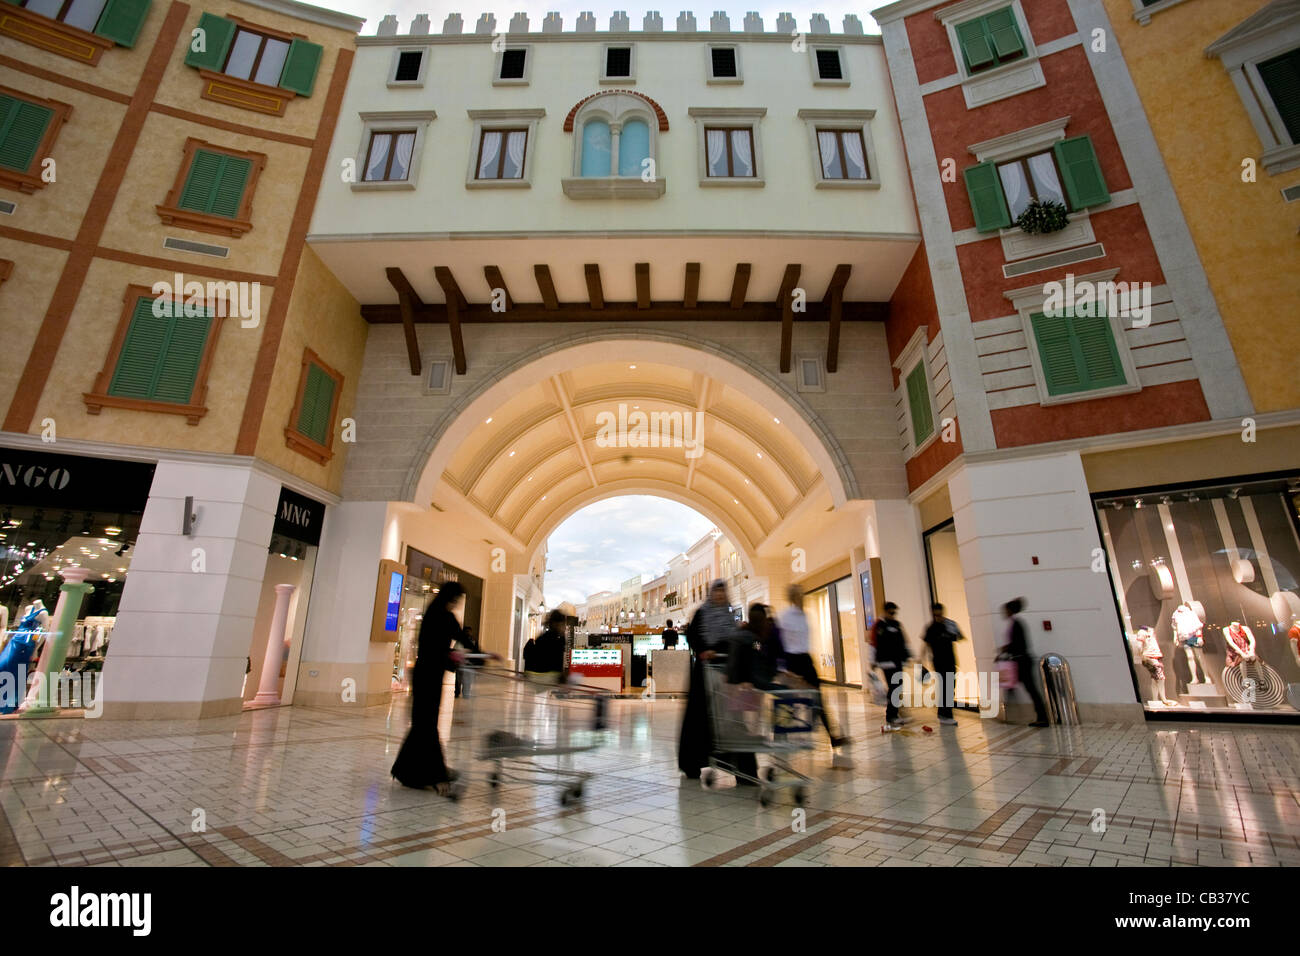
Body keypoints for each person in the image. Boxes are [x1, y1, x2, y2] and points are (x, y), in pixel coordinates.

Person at [391, 581, 468, 795]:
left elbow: (459, 640)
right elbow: (444, 647)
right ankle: (433, 774)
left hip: (427, 675)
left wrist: (474, 654)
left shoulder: (436, 613)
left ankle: (407, 772)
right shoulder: (440, 616)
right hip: (429, 676)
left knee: (423, 723)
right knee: (426, 724)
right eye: (456, 599)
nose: (456, 603)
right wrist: (459, 657)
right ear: (451, 598)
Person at [678, 580, 756, 782]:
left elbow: (734, 641)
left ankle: (742, 770)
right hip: (706, 673)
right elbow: (693, 637)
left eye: (723, 592)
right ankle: (694, 764)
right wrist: (705, 651)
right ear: (712, 594)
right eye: (717, 592)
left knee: (732, 719)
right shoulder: (702, 613)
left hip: (727, 674)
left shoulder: (729, 616)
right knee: (702, 718)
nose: (720, 595)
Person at [776, 585, 850, 750]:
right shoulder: (784, 617)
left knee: (818, 697)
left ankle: (832, 736)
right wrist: (782, 667)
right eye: (798, 595)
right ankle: (780, 737)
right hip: (791, 660)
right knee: (787, 700)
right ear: (792, 597)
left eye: (802, 594)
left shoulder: (805, 615)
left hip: (805, 659)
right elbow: (779, 643)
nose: (802, 597)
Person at [1000, 598, 1048, 727]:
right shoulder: (1015, 623)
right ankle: (1014, 714)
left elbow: (1018, 643)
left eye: (1005, 610)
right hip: (1020, 660)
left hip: (1022, 661)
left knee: (1029, 689)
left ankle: (1041, 717)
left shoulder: (1017, 624)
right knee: (1015, 687)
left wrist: (1006, 648)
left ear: (1010, 610)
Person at [870, 602, 910, 731]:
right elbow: (873, 644)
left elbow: (903, 642)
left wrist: (907, 656)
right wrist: (872, 661)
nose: (893, 615)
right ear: (885, 612)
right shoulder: (879, 625)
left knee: (897, 687)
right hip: (886, 662)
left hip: (897, 661)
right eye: (891, 613)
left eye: (894, 613)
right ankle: (891, 715)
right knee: (894, 687)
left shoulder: (897, 625)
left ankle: (894, 714)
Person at [923, 603, 964, 725]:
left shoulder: (950, 625)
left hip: (950, 661)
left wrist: (954, 632)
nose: (938, 617)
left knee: (949, 688)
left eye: (940, 614)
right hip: (939, 663)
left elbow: (960, 637)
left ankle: (942, 714)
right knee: (946, 689)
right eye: (936, 615)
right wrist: (921, 661)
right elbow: (926, 645)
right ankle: (946, 715)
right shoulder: (931, 628)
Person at [523, 610, 567, 683]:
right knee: (575, 679)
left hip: (535, 676)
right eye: (562, 624)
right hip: (545, 677)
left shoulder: (543, 637)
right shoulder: (557, 639)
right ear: (556, 624)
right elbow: (556, 662)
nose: (564, 627)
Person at [454, 624, 479, 698]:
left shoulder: (473, 640)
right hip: (461, 663)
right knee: (459, 679)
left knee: (466, 679)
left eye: (469, 631)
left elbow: (476, 652)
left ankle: (465, 692)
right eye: (466, 631)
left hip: (468, 663)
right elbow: (456, 650)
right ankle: (458, 692)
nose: (468, 633)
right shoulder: (460, 641)